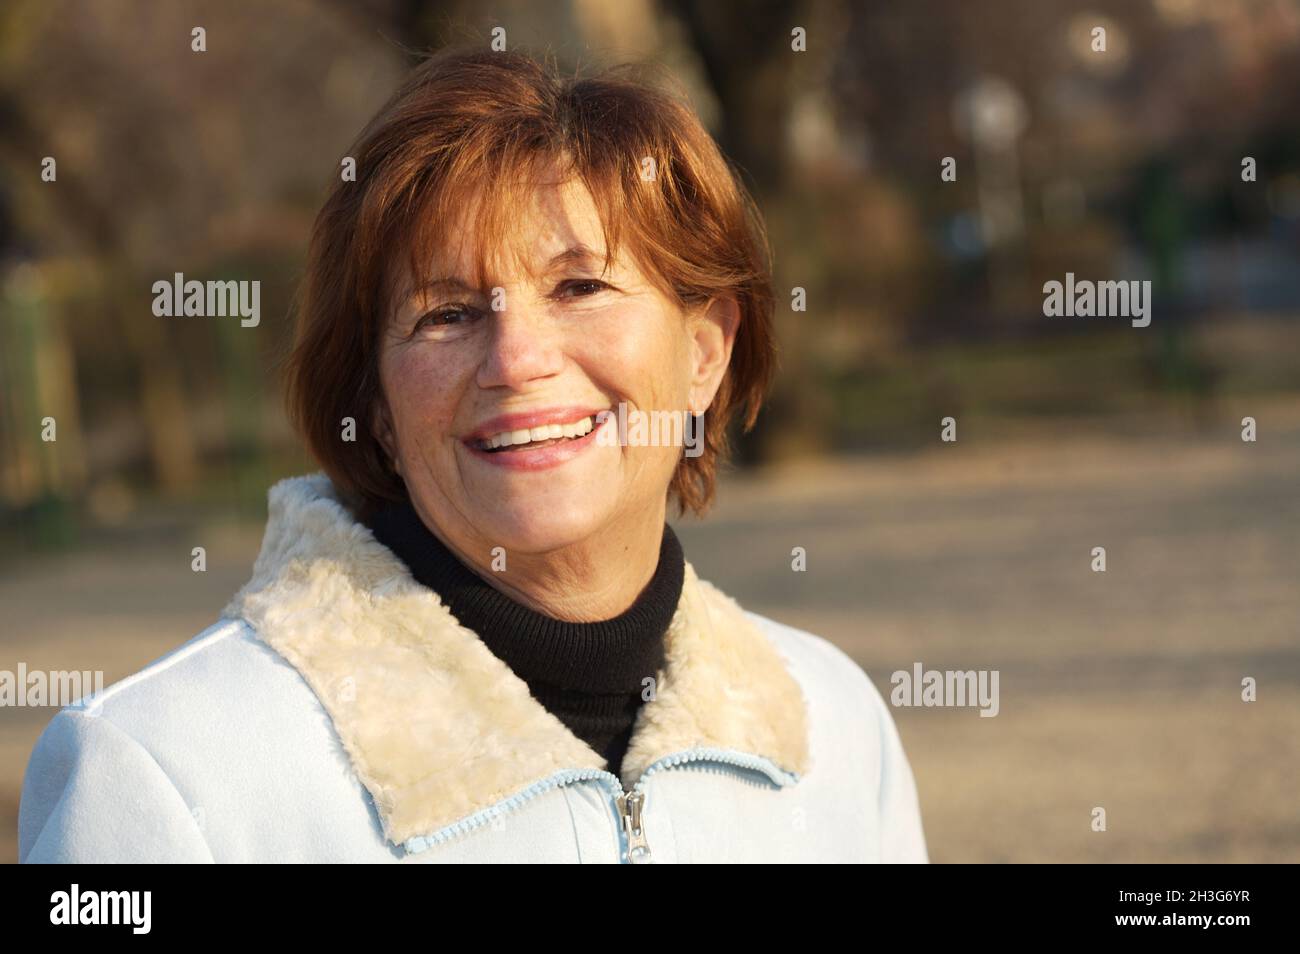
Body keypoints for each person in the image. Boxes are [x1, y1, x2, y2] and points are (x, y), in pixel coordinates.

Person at [18, 46, 928, 863]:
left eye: (579, 285)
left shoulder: (834, 730)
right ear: (373, 404)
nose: (517, 361)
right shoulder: (162, 771)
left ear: (704, 353)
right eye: (446, 313)